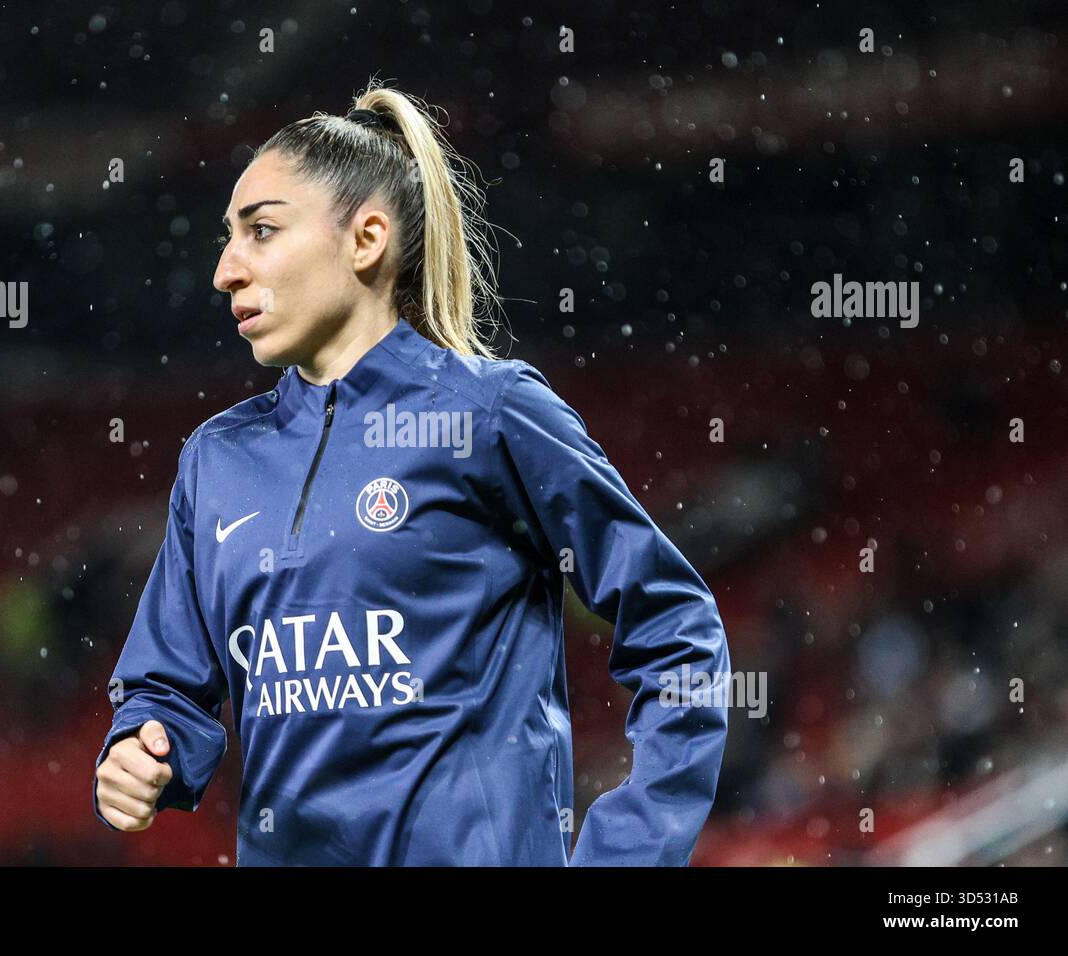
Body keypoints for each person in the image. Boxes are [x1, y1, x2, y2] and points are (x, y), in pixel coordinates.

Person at [93, 80, 730, 865]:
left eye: (260, 231)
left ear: (366, 240)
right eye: (227, 238)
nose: (225, 270)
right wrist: (141, 750)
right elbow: (167, 686)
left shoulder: (490, 415)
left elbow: (679, 632)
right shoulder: (217, 458)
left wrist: (628, 848)